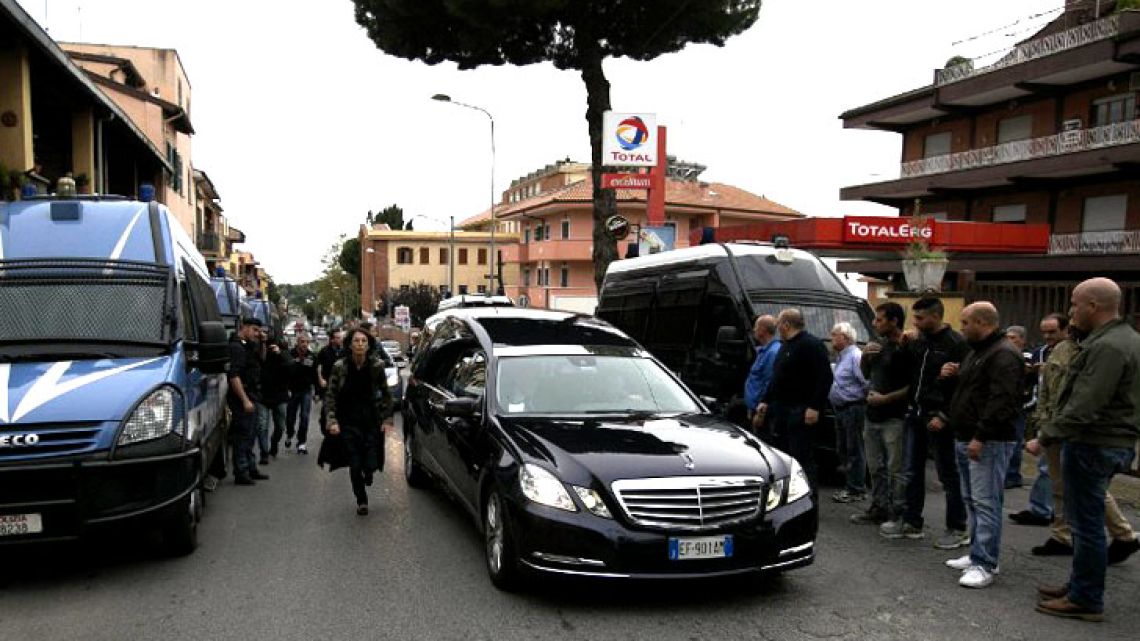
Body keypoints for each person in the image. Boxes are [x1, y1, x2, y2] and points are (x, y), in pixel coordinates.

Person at [1035, 278, 1140, 622]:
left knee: (1085, 524)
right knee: (1084, 521)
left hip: (1095, 443)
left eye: (1075, 304)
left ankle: (1085, 598)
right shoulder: (1122, 339)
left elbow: (1085, 405)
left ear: (1094, 306)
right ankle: (1079, 585)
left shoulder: (1109, 346)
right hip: (1106, 441)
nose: (1071, 311)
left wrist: (1045, 436)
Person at [939, 302, 1022, 589]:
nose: (960, 329)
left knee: (986, 502)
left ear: (982, 322)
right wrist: (953, 375)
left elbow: (1002, 402)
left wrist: (980, 436)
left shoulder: (1003, 355)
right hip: (966, 435)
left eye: (965, 323)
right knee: (973, 500)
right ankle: (977, 552)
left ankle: (985, 563)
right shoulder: (978, 352)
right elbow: (973, 392)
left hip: (988, 441)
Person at [884, 297, 969, 550]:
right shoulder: (918, 342)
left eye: (920, 318)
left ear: (935, 316)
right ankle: (911, 522)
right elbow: (901, 372)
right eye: (915, 317)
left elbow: (964, 386)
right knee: (911, 470)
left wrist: (944, 415)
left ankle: (957, 527)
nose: (915, 322)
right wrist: (901, 347)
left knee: (948, 474)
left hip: (939, 417)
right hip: (915, 413)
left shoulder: (956, 344)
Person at [756, 309, 833, 489]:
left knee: (802, 457)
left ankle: (809, 496)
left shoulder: (811, 345)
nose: (776, 328)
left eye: (778, 324)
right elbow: (777, 377)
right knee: (783, 456)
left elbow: (825, 378)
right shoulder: (785, 346)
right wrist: (765, 400)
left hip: (801, 411)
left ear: (786, 324)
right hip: (781, 410)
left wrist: (815, 406)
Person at [852, 302, 912, 526]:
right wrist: (865, 357)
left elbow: (913, 386)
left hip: (894, 417)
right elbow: (867, 374)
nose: (875, 323)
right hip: (872, 416)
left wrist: (886, 398)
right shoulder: (879, 344)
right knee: (875, 467)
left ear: (893, 321)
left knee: (895, 469)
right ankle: (878, 507)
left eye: (879, 319)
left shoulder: (907, 347)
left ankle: (897, 512)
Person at [322, 328, 394, 515]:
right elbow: (330, 396)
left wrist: (387, 419)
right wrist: (332, 421)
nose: (360, 344)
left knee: (370, 462)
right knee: (354, 464)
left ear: (368, 345)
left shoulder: (376, 366)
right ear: (350, 345)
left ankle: (368, 471)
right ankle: (361, 500)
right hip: (348, 422)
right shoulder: (340, 367)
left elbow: (386, 395)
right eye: (356, 341)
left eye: (363, 341)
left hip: (370, 421)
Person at [1011, 313, 1068, 527]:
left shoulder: (1074, 353)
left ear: (1065, 330)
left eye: (1052, 332)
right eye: (1044, 332)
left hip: (1060, 417)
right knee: (1048, 467)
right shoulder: (1041, 353)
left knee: (1050, 468)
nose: (1047, 336)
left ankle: (1043, 510)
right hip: (1043, 414)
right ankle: (1046, 510)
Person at [828, 322, 868, 503]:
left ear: (845, 337)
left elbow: (865, 383)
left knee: (854, 449)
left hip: (853, 408)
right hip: (842, 409)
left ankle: (856, 489)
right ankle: (850, 486)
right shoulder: (842, 357)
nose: (831, 338)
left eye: (834, 334)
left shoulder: (855, 356)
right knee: (844, 448)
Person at [226, 317, 269, 485]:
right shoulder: (236, 347)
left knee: (251, 435)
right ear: (243, 327)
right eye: (255, 330)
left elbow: (262, 359)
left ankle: (251, 468)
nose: (258, 334)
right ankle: (241, 471)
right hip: (242, 396)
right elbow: (234, 376)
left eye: (259, 331)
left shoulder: (248, 345)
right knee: (242, 435)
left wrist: (263, 342)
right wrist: (244, 400)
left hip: (253, 394)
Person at [1002, 325, 1034, 489]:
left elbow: (1027, 371)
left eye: (1013, 337)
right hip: (1007, 404)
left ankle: (1013, 475)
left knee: (1015, 441)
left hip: (1020, 404)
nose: (1009, 340)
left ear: (1022, 339)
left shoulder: (1027, 355)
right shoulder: (1005, 354)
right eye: (1007, 337)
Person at [744, 315, 781, 433]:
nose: (754, 330)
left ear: (763, 330)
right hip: (755, 407)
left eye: (756, 327)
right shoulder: (764, 350)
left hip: (763, 411)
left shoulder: (772, 353)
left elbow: (768, 383)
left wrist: (760, 413)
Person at [285, 333, 319, 454]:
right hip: (293, 391)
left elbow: (315, 375)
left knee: (304, 417)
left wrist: (317, 392)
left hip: (306, 391)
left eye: (306, 342)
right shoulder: (290, 354)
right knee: (290, 417)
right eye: (302, 342)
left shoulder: (311, 356)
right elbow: (286, 372)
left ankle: (302, 443)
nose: (304, 344)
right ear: (297, 343)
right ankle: (289, 433)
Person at [264, 329, 293, 458]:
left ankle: (274, 442)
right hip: (263, 395)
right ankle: (264, 453)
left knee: (280, 426)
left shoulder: (283, 353)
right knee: (261, 426)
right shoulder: (260, 352)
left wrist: (279, 353)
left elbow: (290, 365)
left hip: (279, 395)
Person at [316, 328, 346, 435]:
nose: (340, 340)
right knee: (327, 408)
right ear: (332, 340)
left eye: (341, 337)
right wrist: (320, 379)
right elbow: (318, 366)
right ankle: (325, 426)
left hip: (341, 386)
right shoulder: (324, 351)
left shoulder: (345, 352)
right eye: (338, 338)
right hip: (327, 386)